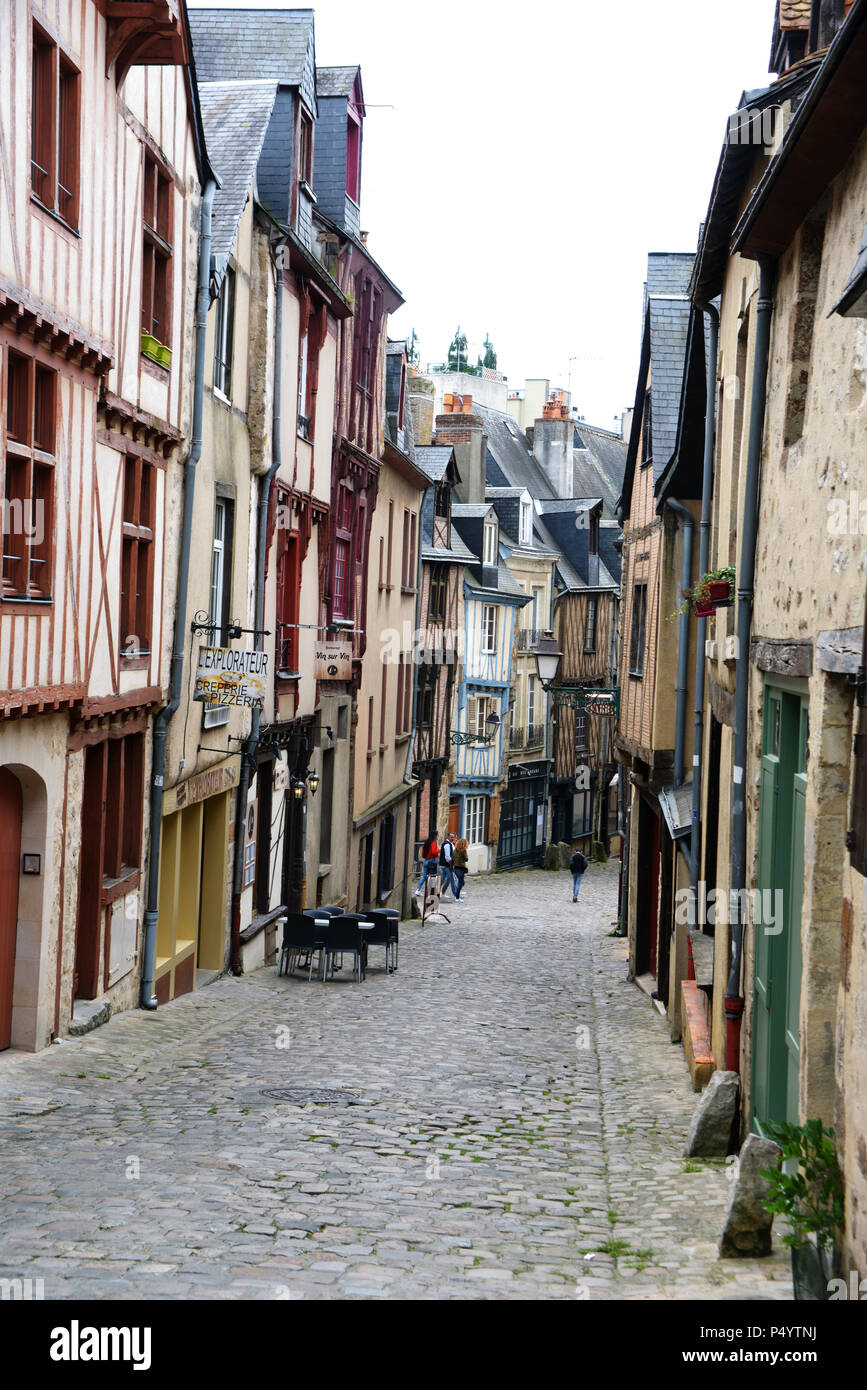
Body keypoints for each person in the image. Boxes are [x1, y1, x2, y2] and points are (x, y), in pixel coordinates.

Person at [439, 832, 462, 903]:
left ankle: (437, 892)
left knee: (444, 880)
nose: (452, 838)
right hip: (447, 865)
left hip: (445, 865)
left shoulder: (450, 844)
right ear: (448, 837)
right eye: (451, 837)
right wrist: (452, 865)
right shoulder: (447, 845)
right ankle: (456, 896)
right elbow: (447, 857)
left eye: (453, 837)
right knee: (452, 880)